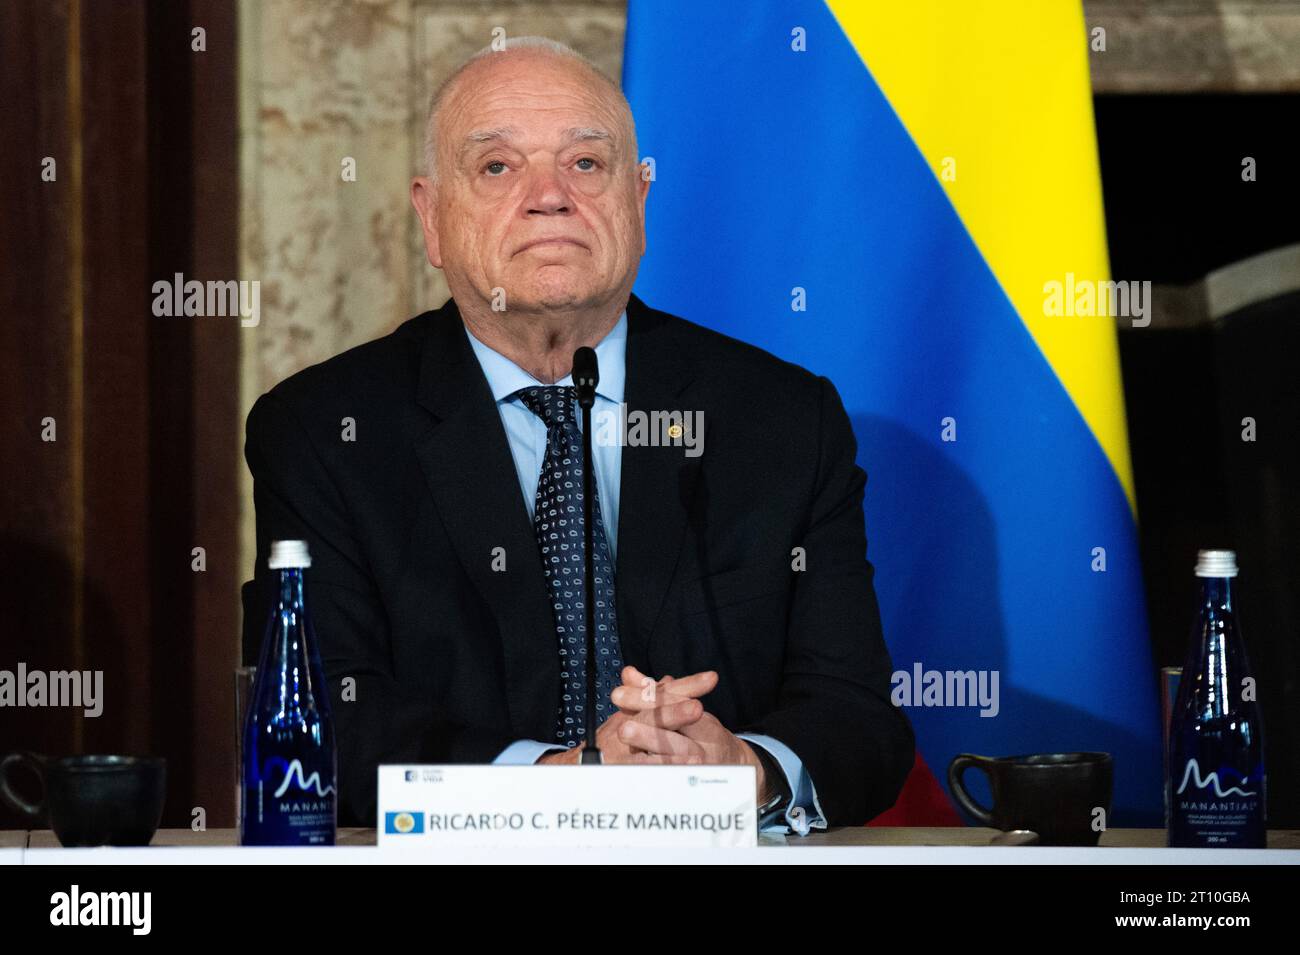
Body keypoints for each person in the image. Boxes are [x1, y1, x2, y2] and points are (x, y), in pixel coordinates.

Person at [243, 37, 913, 833]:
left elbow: (858, 716)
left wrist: (744, 769)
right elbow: (317, 720)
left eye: (586, 165)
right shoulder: (326, 432)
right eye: (497, 167)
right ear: (430, 216)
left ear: (639, 199)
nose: (549, 196)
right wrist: (557, 782)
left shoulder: (782, 420)